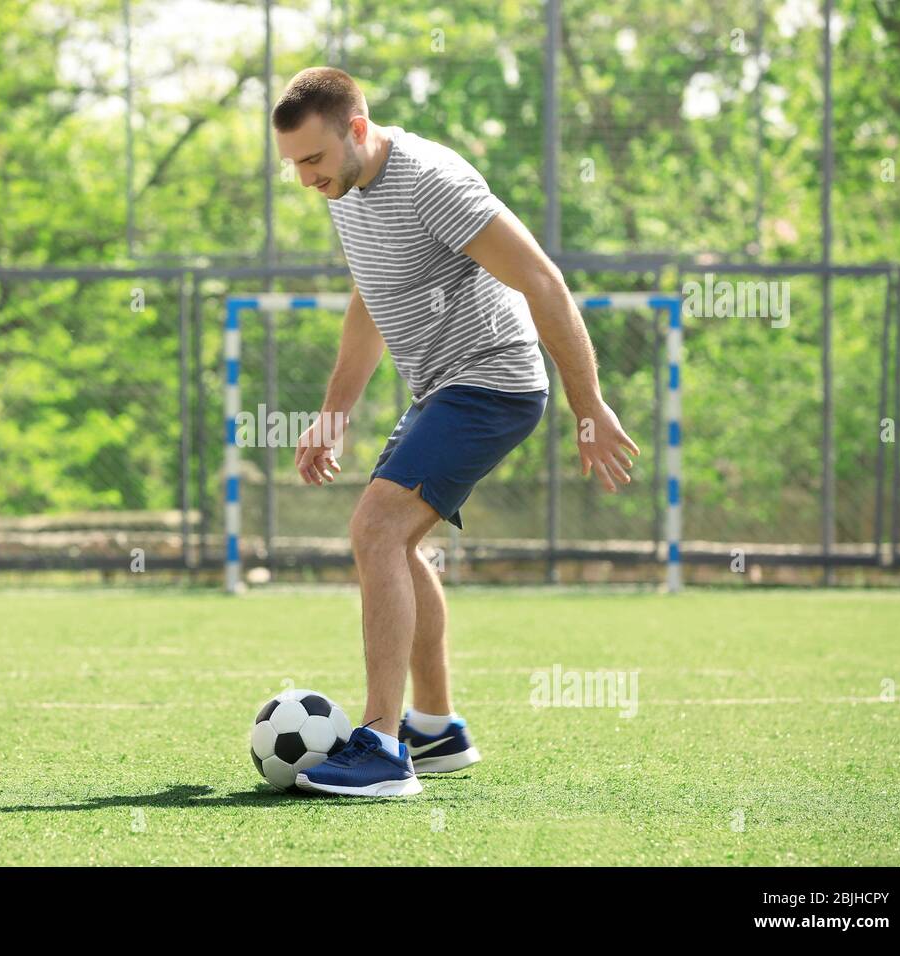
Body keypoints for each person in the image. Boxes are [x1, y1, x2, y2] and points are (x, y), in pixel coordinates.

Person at [272, 68, 640, 797]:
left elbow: (541, 279)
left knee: (375, 529)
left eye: (312, 159)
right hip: (442, 388)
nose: (304, 178)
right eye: (292, 165)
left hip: (493, 382)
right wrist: (333, 411)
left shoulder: (430, 179)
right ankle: (435, 729)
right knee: (397, 541)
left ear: (356, 129)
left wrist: (590, 405)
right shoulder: (345, 192)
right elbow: (370, 299)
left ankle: (380, 748)